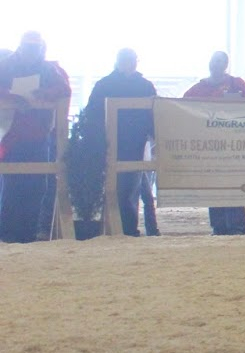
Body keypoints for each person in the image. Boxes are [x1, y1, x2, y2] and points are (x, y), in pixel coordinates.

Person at [0, 31, 73, 242]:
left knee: (36, 186)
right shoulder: (6, 66)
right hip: (10, 135)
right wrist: (12, 98)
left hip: (38, 137)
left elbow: (64, 89)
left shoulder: (48, 69)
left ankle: (28, 234)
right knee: (11, 186)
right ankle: (7, 234)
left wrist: (44, 94)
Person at [82, 48, 159, 237]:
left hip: (135, 144)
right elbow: (92, 116)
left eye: (130, 59)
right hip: (110, 144)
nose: (128, 63)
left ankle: (128, 230)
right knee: (122, 188)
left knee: (129, 189)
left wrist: (155, 138)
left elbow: (154, 115)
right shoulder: (106, 85)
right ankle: (124, 229)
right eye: (125, 59)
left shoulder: (142, 86)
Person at [185, 50, 245, 236]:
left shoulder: (237, 84)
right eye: (213, 61)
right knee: (213, 185)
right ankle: (218, 227)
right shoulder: (198, 89)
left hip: (234, 145)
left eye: (219, 62)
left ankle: (237, 227)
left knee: (235, 184)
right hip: (209, 146)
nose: (215, 65)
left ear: (225, 65)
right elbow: (181, 107)